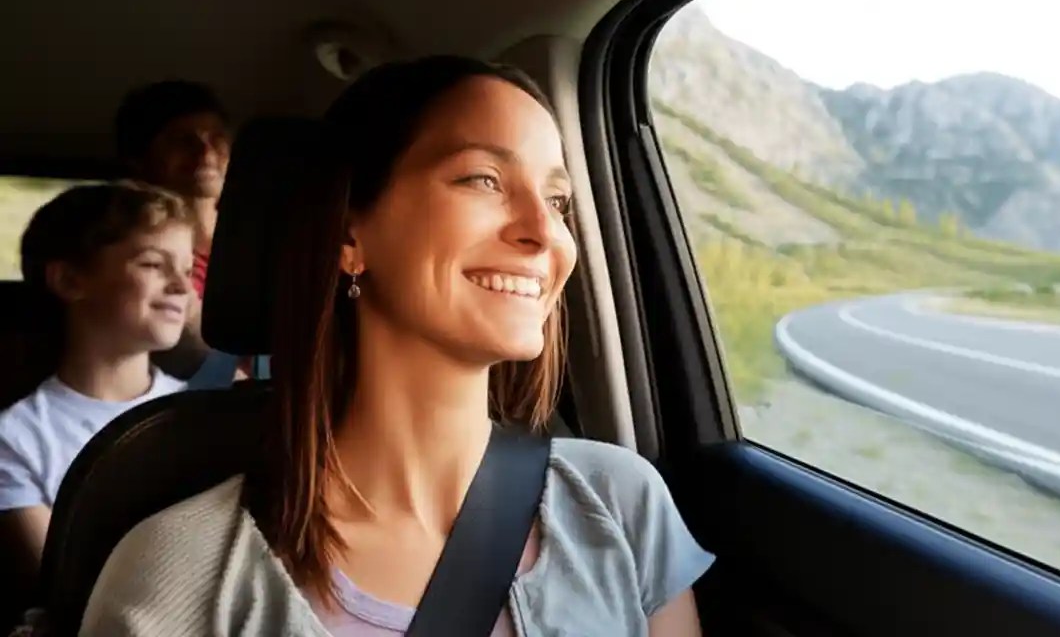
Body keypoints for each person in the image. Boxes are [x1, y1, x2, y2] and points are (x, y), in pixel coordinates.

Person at [81, 57, 714, 635]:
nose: (544, 231)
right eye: (483, 179)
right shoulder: (181, 579)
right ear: (349, 236)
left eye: (557, 199)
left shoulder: (622, 504)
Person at [0, 182, 193, 585]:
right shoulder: (17, 438)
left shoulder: (208, 409)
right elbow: (65, 588)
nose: (182, 286)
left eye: (187, 269)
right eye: (153, 265)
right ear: (70, 281)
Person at [113, 80, 243, 384]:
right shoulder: (135, 256)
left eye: (217, 138)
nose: (205, 151)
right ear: (138, 158)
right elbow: (192, 358)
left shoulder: (257, 247)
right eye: (183, 140)